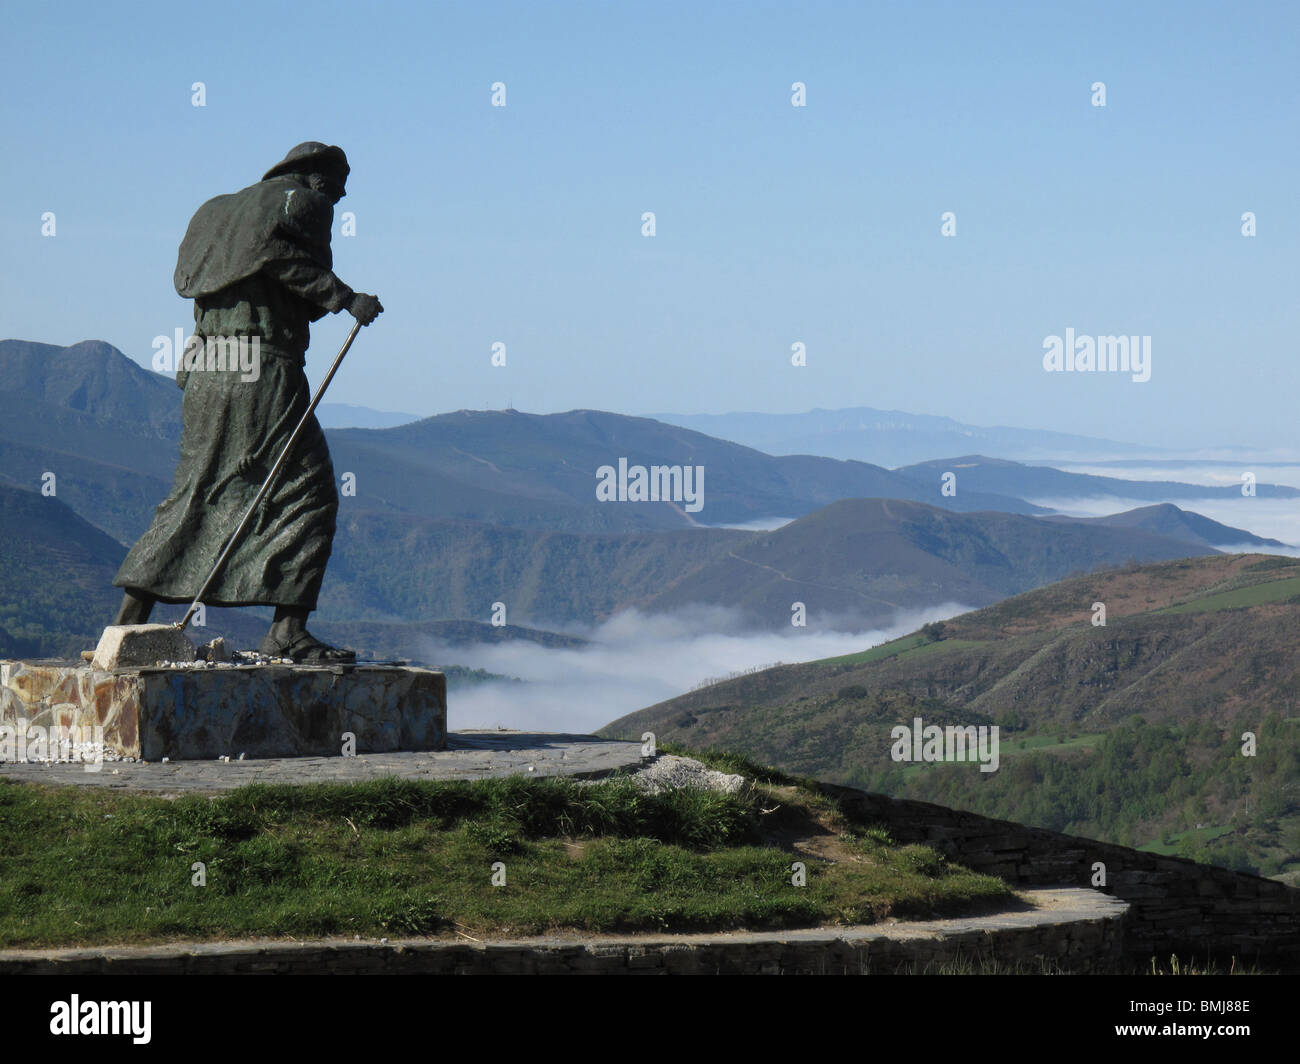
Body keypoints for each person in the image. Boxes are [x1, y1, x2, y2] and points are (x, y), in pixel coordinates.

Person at [112, 142, 382, 663]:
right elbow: (281, 259)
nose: (341, 195)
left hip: (208, 365)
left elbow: (214, 284)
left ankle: (127, 622)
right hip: (261, 366)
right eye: (336, 182)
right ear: (311, 175)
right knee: (311, 492)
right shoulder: (300, 203)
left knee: (196, 491)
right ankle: (286, 632)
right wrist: (344, 296)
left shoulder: (215, 211)